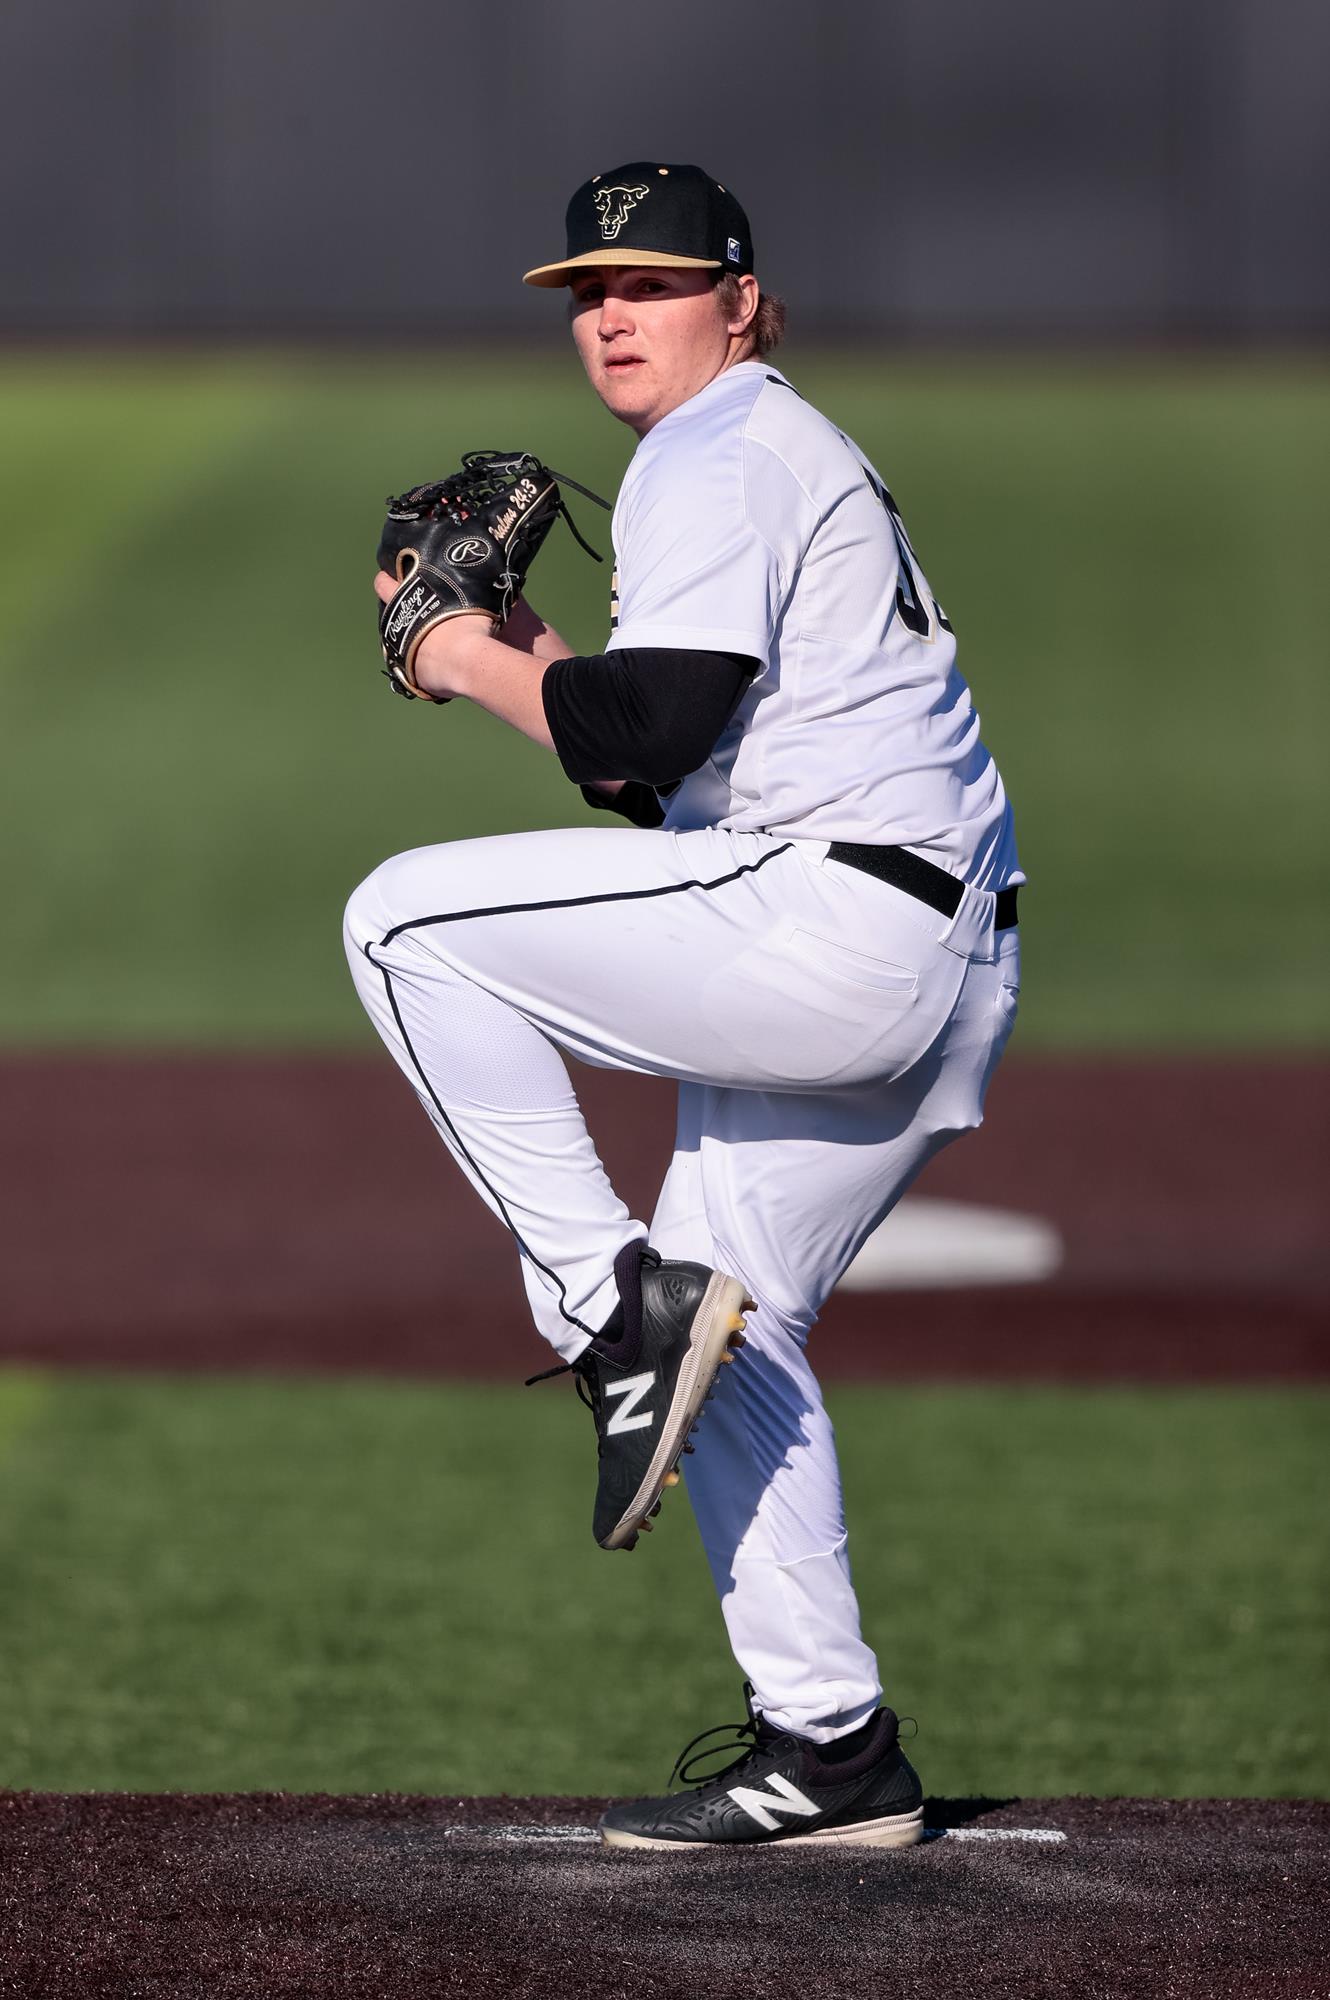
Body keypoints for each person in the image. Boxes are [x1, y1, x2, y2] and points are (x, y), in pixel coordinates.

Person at [344, 160, 1023, 1850]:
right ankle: (831, 1748)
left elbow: (641, 739)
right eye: (587, 291)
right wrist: (530, 655)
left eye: (649, 284)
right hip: (929, 954)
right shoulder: (773, 450)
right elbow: (664, 770)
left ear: (737, 296)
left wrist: (449, 652)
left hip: (842, 926)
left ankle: (599, 1301)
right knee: (740, 1331)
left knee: (402, 924)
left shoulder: (716, 449)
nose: (612, 318)